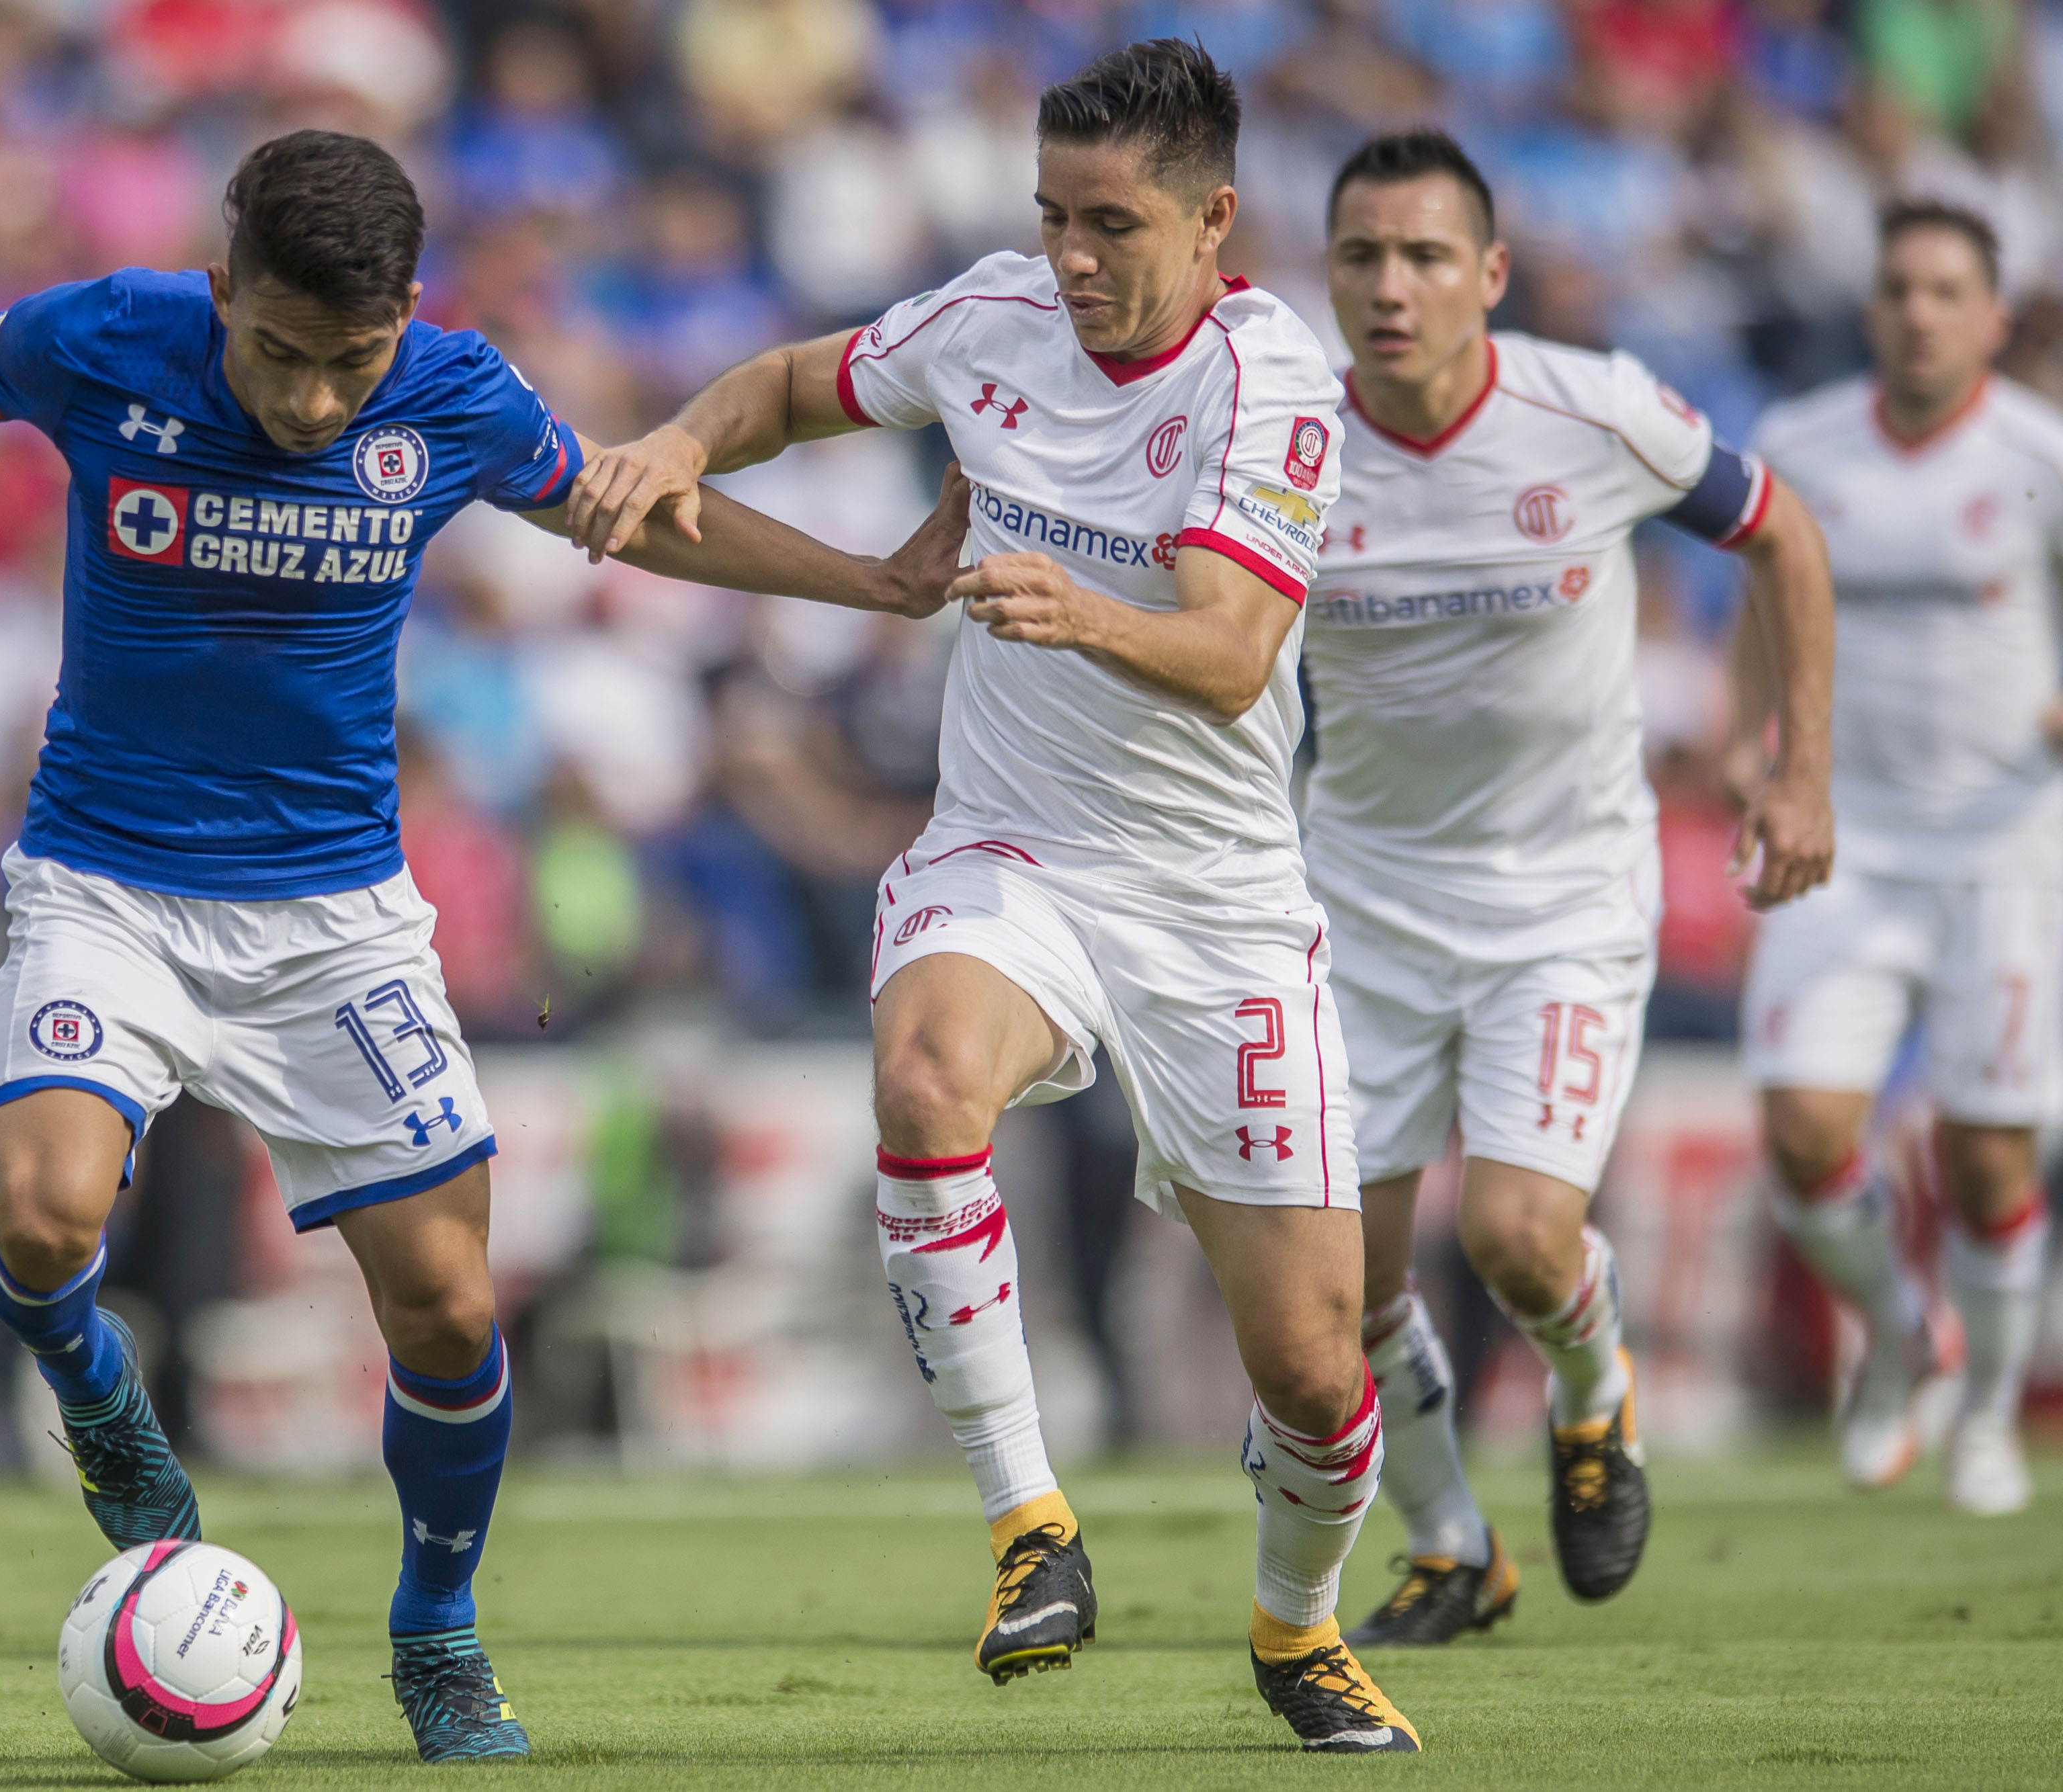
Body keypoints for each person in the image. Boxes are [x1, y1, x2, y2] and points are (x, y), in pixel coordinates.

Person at [0, 128, 966, 1763]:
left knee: (452, 1313)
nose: (315, 402)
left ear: (403, 319)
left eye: (352, 362)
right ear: (217, 293)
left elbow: (640, 517)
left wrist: (879, 588)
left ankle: (437, 1627)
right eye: (276, 353)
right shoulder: (103, 336)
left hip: (336, 924)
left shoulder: (457, 396)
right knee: (42, 1222)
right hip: (105, 885)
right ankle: (99, 1395)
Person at [571, 41, 1418, 1754]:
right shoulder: (992, 316)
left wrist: (1072, 608)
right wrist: (674, 437)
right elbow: (792, 386)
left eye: (1109, 222)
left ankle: (1293, 1625)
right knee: (921, 1076)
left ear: (1212, 220)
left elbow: (1232, 645)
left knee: (1316, 1378)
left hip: (1217, 901)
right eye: (1050, 215)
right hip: (1010, 843)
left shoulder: (1270, 383)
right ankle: (1030, 1524)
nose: (1072, 257)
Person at [1300, 129, 1837, 1646]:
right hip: (1357, 899)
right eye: (1358, 256)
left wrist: (1792, 767)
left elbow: (1781, 533)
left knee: (1520, 1239)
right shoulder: (1281, 441)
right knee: (1332, 1281)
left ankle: (1594, 1396)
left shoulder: (1588, 407)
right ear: (1326, 272)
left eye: (1420, 256)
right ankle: (1453, 1544)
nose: (1388, 287)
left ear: (1489, 274)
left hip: (1559, 901)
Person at [1740, 200, 2063, 1517]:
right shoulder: (1798, 446)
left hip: (2001, 849)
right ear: (1868, 309)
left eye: (1944, 291)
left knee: (1990, 1159)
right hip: (1844, 838)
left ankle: (1984, 1416)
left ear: (1989, 319)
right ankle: (1896, 1324)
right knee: (1802, 1127)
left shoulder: (2038, 451)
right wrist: (1749, 737)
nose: (1917, 310)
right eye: (1896, 288)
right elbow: (1760, 596)